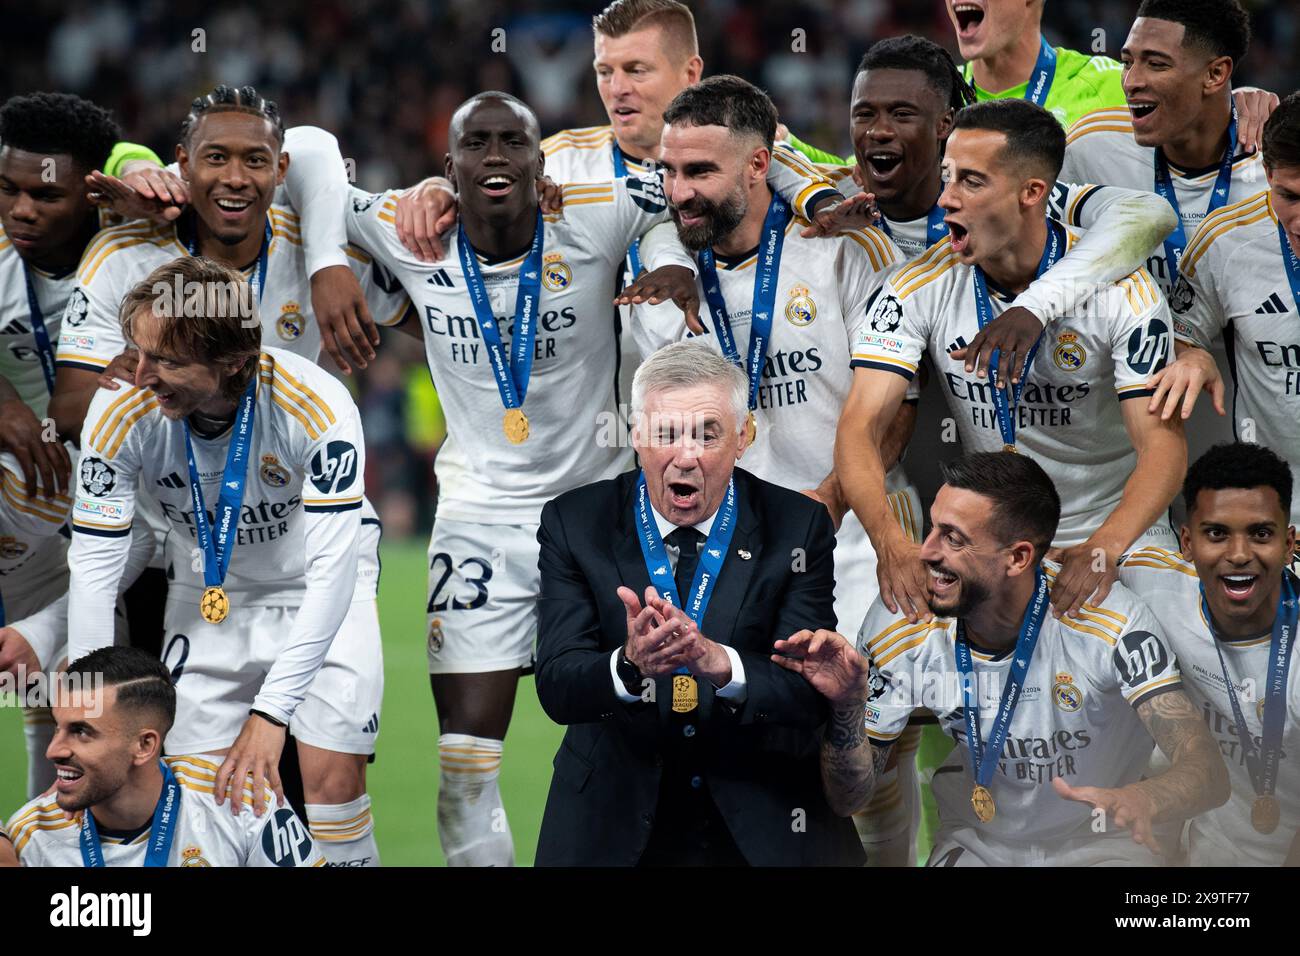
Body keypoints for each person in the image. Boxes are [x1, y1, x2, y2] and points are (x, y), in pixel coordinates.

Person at [343, 90, 699, 866]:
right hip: (478, 521)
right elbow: (305, 170)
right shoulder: (409, 228)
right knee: (462, 770)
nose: (496, 156)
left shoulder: (595, 212)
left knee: (660, 736)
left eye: (514, 143)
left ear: (544, 167)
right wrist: (331, 267)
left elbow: (677, 193)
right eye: (477, 144)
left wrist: (670, 256)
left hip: (599, 514)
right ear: (449, 167)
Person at [66, 256, 380, 868]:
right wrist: (88, 707)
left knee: (333, 790)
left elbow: (332, 576)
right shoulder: (121, 408)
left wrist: (271, 714)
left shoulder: (317, 406)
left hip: (314, 590)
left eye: (165, 360)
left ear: (234, 360)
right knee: (206, 801)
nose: (140, 376)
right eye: (138, 352)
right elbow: (95, 571)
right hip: (208, 595)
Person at [775, 451, 1228, 866]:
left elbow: (1207, 771)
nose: (926, 551)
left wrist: (1145, 799)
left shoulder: (1108, 621)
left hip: (1101, 843)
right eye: (932, 528)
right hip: (977, 844)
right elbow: (849, 798)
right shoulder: (904, 617)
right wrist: (847, 709)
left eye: (953, 538)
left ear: (1018, 558)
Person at [839, 99, 1185, 630]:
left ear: (1032, 192)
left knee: (1174, 636)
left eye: (972, 181)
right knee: (885, 638)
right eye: (948, 177)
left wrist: (1105, 545)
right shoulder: (918, 286)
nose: (946, 198)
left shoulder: (1123, 293)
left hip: (1117, 529)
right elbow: (859, 427)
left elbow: (1162, 448)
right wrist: (890, 543)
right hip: (984, 542)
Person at [533, 341, 862, 866]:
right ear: (636, 434)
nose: (685, 456)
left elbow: (806, 695)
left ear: (743, 437)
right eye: (666, 433)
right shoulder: (574, 523)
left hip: (765, 821)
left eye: (707, 434)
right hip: (613, 825)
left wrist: (720, 664)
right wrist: (628, 666)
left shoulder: (797, 527)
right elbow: (557, 686)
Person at [625, 75, 910, 639]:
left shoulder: (846, 249)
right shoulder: (656, 280)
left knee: (860, 694)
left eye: (700, 172)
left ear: (759, 165)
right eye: (669, 171)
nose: (679, 192)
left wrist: (831, 498)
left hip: (854, 534)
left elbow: (899, 407)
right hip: (728, 552)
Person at [837, 36, 1178, 384]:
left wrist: (1035, 304)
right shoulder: (834, 204)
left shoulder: (1007, 200)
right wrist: (808, 193)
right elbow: (796, 158)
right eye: (864, 114)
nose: (878, 131)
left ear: (944, 124)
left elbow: (1151, 212)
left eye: (901, 114)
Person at [1120, 443, 1300, 865]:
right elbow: (1062, 577)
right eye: (1217, 533)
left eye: (1261, 533)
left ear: (1289, 543)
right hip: (1212, 841)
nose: (1239, 555)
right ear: (1186, 541)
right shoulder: (1153, 583)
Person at [6, 646, 324, 867]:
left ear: (145, 745)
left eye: (81, 732)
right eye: (58, 728)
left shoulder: (237, 802)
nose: (54, 750)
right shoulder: (32, 835)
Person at [1147, 94, 1300, 518]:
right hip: (1270, 514)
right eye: (1289, 196)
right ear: (1267, 174)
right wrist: (1192, 354)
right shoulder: (1225, 239)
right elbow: (1183, 334)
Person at [1059, 0, 1263, 296]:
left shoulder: (1273, 167)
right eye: (1127, 62)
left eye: (1156, 64)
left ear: (1215, 74)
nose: (1130, 82)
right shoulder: (1089, 148)